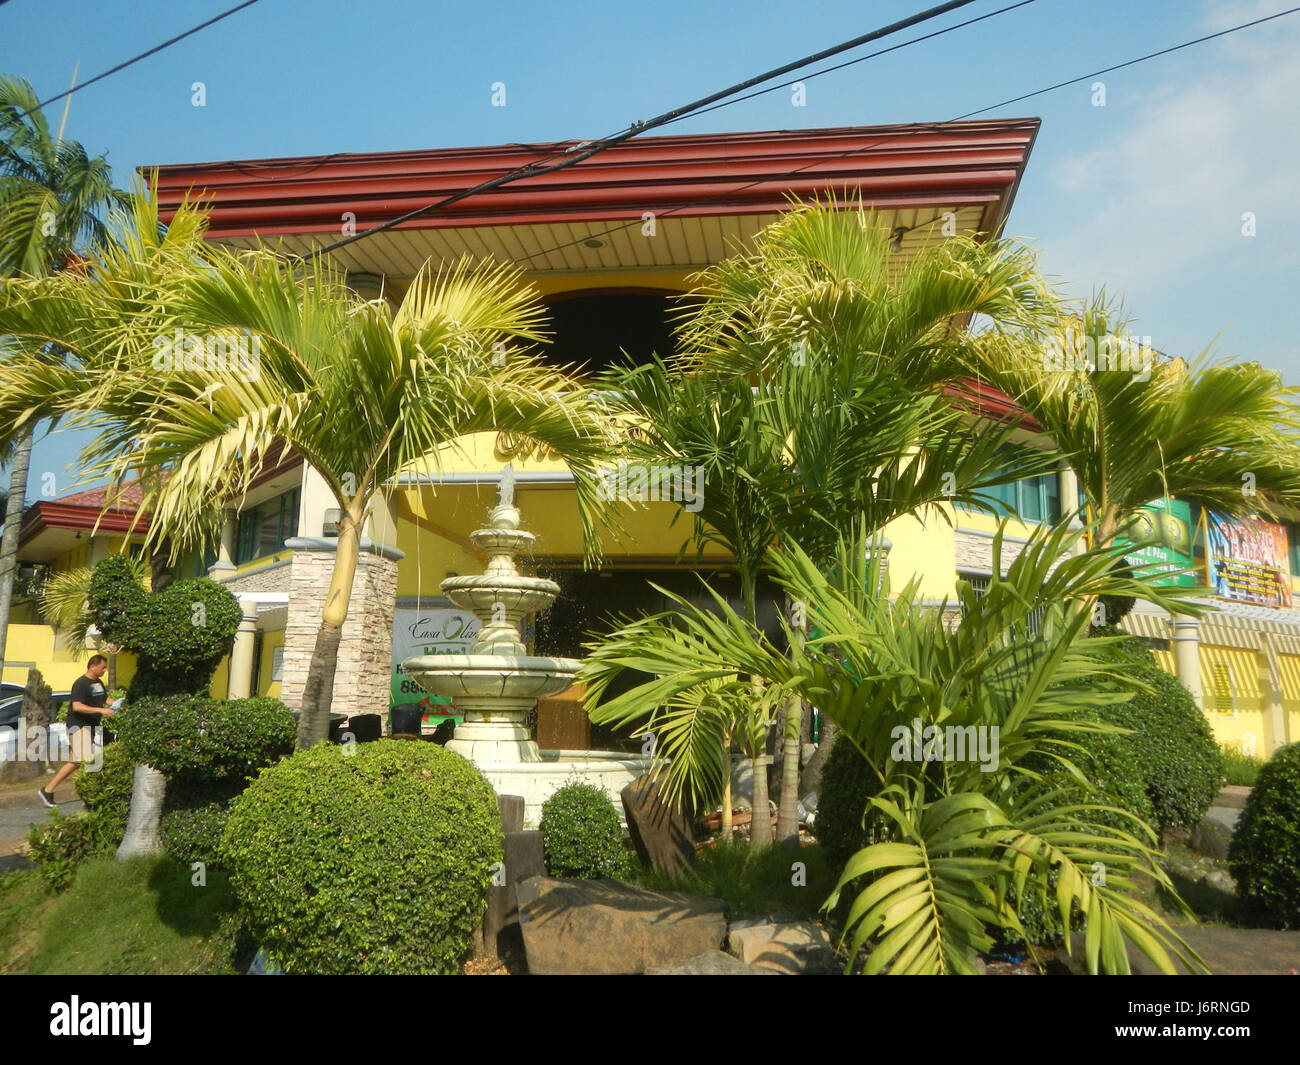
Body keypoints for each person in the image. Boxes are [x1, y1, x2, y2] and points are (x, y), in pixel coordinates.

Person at [37, 654, 121, 808]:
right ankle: (48, 790)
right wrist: (102, 711)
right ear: (92, 666)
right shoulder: (81, 684)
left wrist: (118, 703)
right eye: (102, 667)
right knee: (80, 760)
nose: (104, 670)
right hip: (78, 725)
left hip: (91, 726)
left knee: (85, 760)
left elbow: (104, 699)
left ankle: (55, 790)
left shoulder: (98, 683)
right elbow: (77, 706)